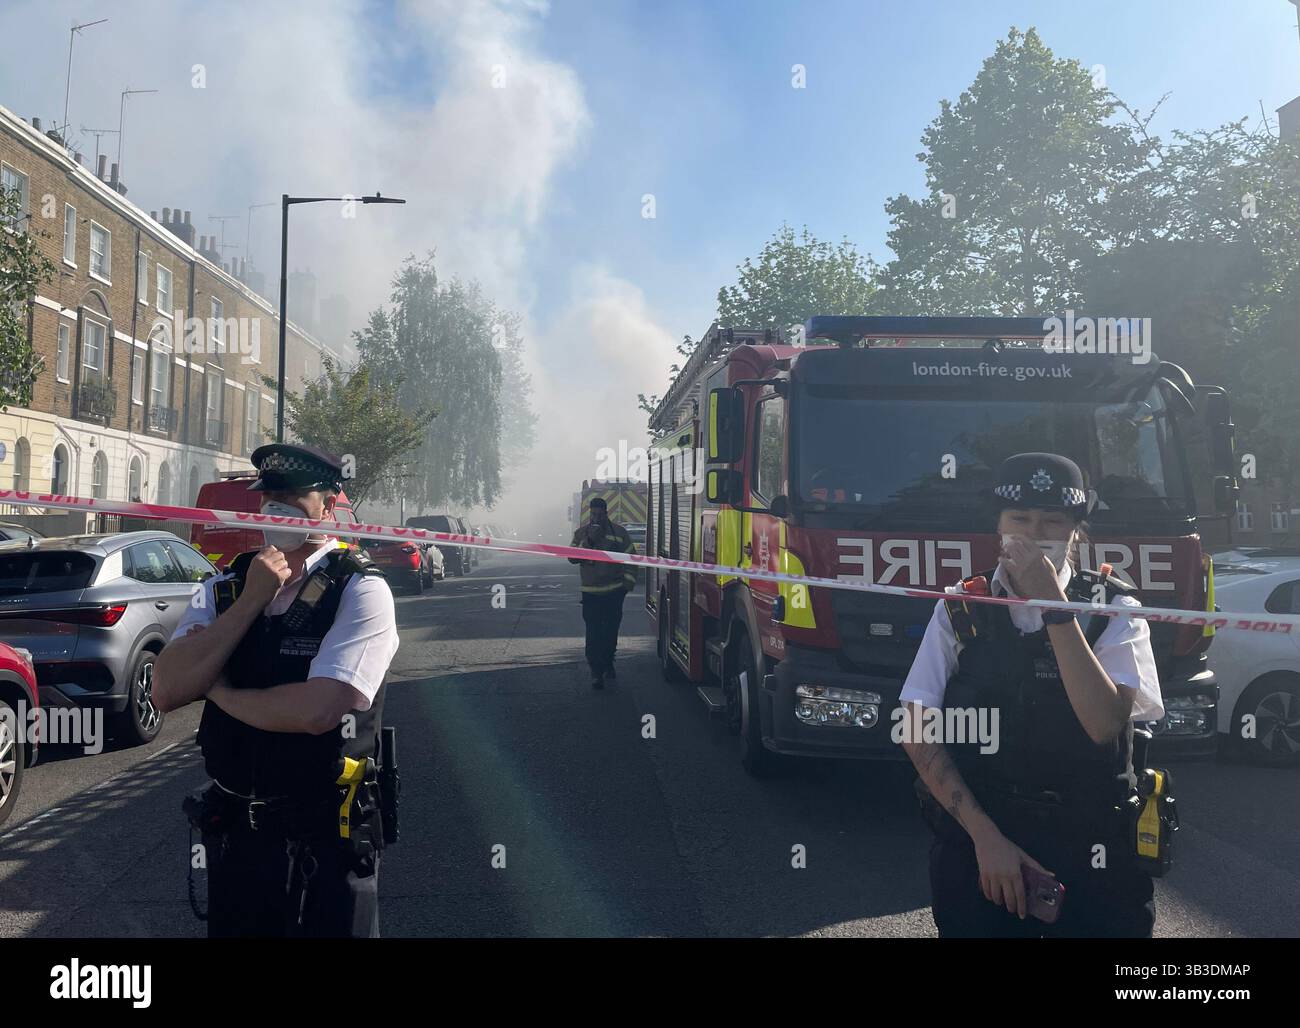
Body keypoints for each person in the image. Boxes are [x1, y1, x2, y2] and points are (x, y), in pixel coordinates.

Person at [899, 452, 1164, 938]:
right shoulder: (962, 606)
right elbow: (915, 725)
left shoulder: (1114, 610)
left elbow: (1104, 724)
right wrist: (985, 838)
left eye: (1053, 521)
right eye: (1019, 518)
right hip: (984, 843)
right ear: (998, 526)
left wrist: (1055, 607)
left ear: (1074, 531)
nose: (1034, 531)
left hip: (1093, 850)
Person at [152, 443, 400, 938]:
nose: (276, 510)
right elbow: (164, 688)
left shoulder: (361, 589)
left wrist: (218, 692)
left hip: (325, 837)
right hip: (238, 834)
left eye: (292, 498)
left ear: (329, 506)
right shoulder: (226, 587)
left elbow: (317, 710)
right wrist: (250, 603)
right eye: (269, 498)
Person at [568, 497, 637, 689]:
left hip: (614, 593)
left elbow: (631, 560)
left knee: (610, 632)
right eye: (593, 514)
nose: (596, 517)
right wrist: (589, 540)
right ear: (590, 513)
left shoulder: (619, 534)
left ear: (606, 513)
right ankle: (596, 672)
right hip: (591, 594)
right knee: (593, 633)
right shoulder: (581, 533)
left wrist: (626, 587)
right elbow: (572, 557)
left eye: (600, 514)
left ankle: (608, 660)